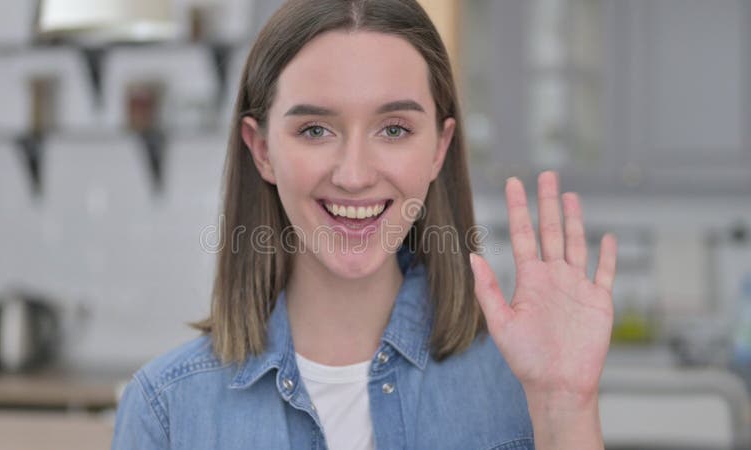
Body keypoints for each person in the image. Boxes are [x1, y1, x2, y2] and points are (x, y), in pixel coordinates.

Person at [111, 0, 617, 449]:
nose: (354, 175)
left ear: (439, 148)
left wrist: (566, 407)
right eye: (314, 129)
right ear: (262, 149)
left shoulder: (523, 386)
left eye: (394, 129)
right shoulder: (166, 409)